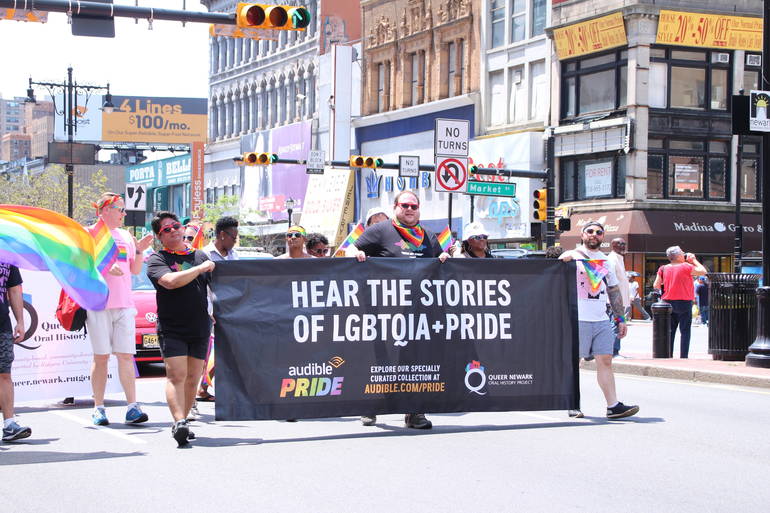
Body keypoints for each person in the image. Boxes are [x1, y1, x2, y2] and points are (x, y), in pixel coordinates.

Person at [348, 190, 450, 429]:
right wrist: (357, 253)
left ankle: (414, 412)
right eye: (405, 205)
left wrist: (446, 256)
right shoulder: (380, 230)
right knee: (380, 359)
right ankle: (371, 406)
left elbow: (441, 259)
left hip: (418, 314)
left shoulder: (428, 236)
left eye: (414, 206)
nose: (410, 210)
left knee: (415, 361)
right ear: (395, 207)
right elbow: (351, 248)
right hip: (383, 313)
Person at [147, 211, 215, 446]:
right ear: (160, 237)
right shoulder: (157, 259)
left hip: (200, 326)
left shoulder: (200, 255)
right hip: (172, 327)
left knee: (193, 378)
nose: (174, 231)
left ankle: (183, 422)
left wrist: (217, 311)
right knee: (176, 375)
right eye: (166, 229)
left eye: (176, 226)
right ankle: (179, 421)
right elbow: (171, 282)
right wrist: (200, 268)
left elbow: (215, 289)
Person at [559, 221, 639, 419]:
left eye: (599, 232)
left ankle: (613, 406)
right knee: (574, 362)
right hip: (577, 318)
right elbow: (553, 279)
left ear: (603, 237)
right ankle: (572, 403)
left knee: (606, 360)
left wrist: (620, 318)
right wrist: (563, 262)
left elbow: (613, 290)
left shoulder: (606, 261)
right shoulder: (571, 255)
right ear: (582, 235)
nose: (594, 234)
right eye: (590, 231)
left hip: (601, 319)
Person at [87, 193, 154, 426]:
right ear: (105, 210)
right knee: (101, 357)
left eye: (124, 210)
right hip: (99, 305)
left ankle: (132, 407)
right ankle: (98, 407)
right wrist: (104, 265)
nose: (124, 214)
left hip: (124, 304)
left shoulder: (125, 235)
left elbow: (134, 270)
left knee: (126, 356)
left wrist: (140, 250)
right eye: (120, 209)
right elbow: (81, 266)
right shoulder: (90, 234)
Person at [653, 246, 707, 358]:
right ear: (678, 256)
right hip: (684, 302)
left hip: (667, 303)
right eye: (682, 253)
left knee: (670, 331)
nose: (684, 254)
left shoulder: (663, 268)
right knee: (685, 332)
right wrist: (694, 260)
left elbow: (656, 285)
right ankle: (683, 356)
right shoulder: (686, 266)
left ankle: (669, 354)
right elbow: (703, 271)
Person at [0, 263, 31, 441]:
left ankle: (9, 425)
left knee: (4, 374)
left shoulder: (7, 254)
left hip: (2, 323)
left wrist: (20, 321)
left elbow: (14, 289)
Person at [607, 238, 630, 356]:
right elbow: (611, 283)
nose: (623, 246)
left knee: (618, 324)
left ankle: (614, 350)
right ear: (613, 245)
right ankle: (613, 351)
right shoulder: (612, 259)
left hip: (621, 302)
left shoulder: (619, 258)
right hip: (614, 303)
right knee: (616, 324)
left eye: (624, 244)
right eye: (620, 244)